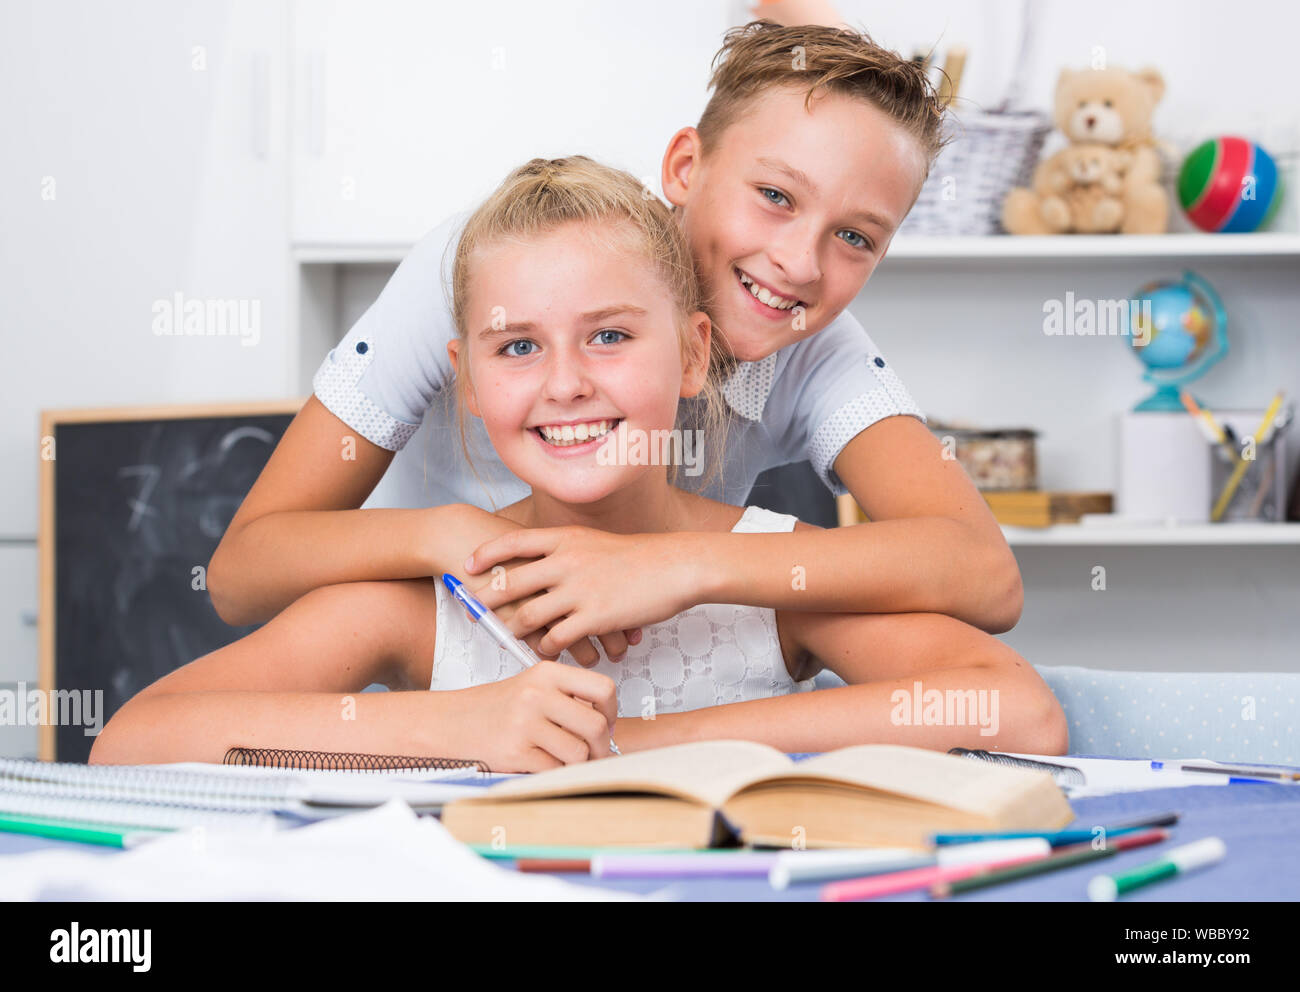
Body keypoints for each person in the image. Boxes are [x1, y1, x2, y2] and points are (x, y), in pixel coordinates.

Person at [90, 157, 1067, 771]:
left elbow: (1016, 709)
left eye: (608, 335)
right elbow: (134, 739)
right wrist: (459, 727)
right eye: (517, 347)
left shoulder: (777, 573)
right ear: (469, 384)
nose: (565, 383)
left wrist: (633, 746)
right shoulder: (424, 601)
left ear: (693, 355)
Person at [206, 21, 1025, 679]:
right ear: (686, 167)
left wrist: (679, 566)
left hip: (655, 673)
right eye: (775, 196)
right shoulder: (487, 269)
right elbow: (243, 572)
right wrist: (458, 539)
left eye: (855, 237)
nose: (800, 262)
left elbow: (982, 571)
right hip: (452, 670)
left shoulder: (816, 346)